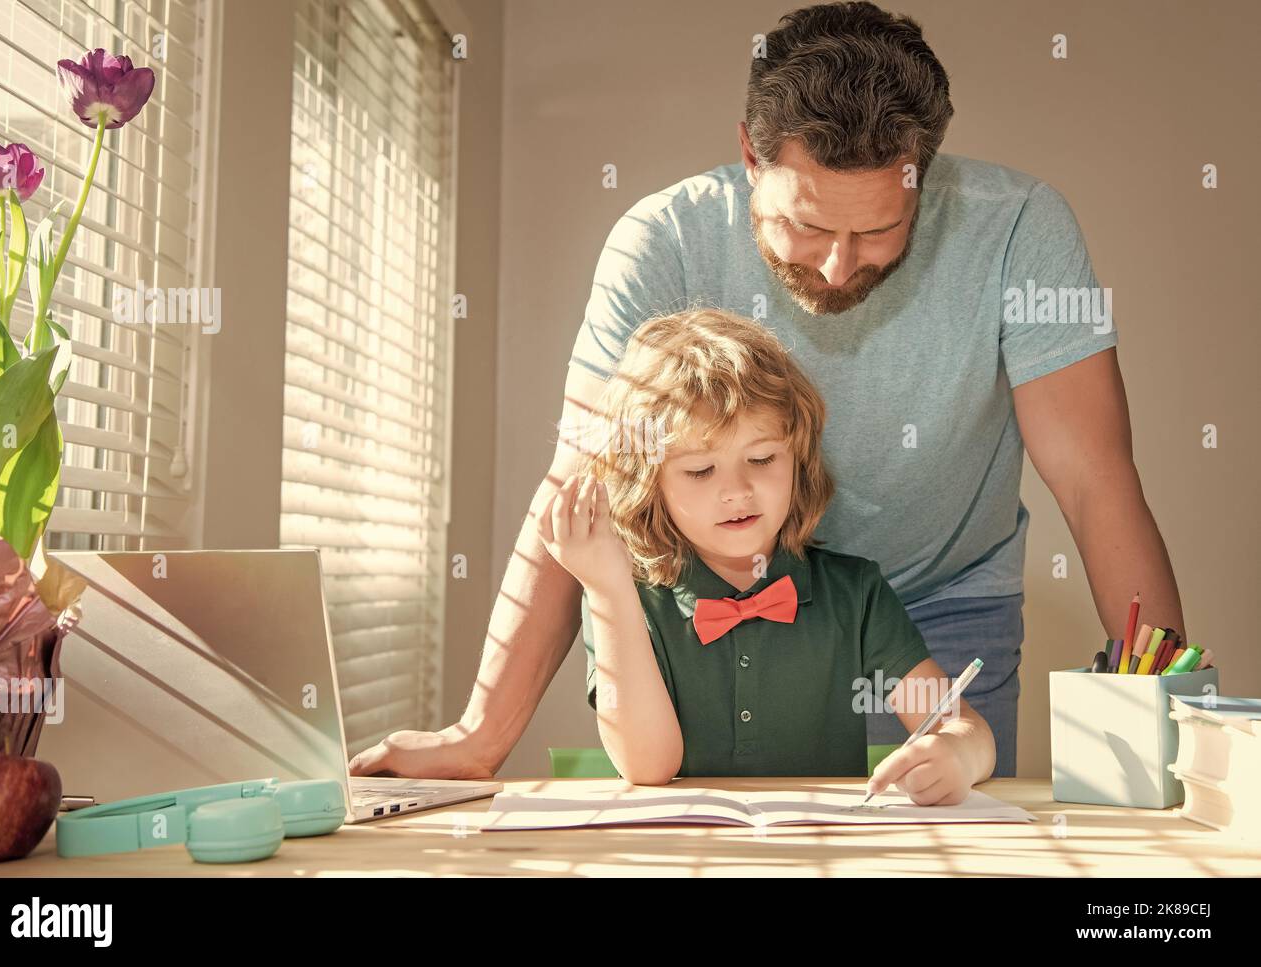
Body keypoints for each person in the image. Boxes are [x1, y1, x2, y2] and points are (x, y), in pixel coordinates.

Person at [349, 2, 1184, 781]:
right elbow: (581, 481)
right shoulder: (661, 241)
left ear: (920, 176)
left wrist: (1174, 722)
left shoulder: (1020, 229)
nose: (837, 265)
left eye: (881, 230)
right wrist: (481, 737)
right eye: (810, 226)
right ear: (751, 154)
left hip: (944, 601)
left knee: (939, 835)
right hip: (713, 597)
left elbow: (1094, 477)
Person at [538, 308, 994, 800]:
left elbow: (968, 730)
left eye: (761, 459)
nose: (737, 491)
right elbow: (648, 767)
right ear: (651, 486)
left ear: (799, 460)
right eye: (699, 470)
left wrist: (956, 753)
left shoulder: (856, 593)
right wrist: (607, 589)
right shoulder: (623, 598)